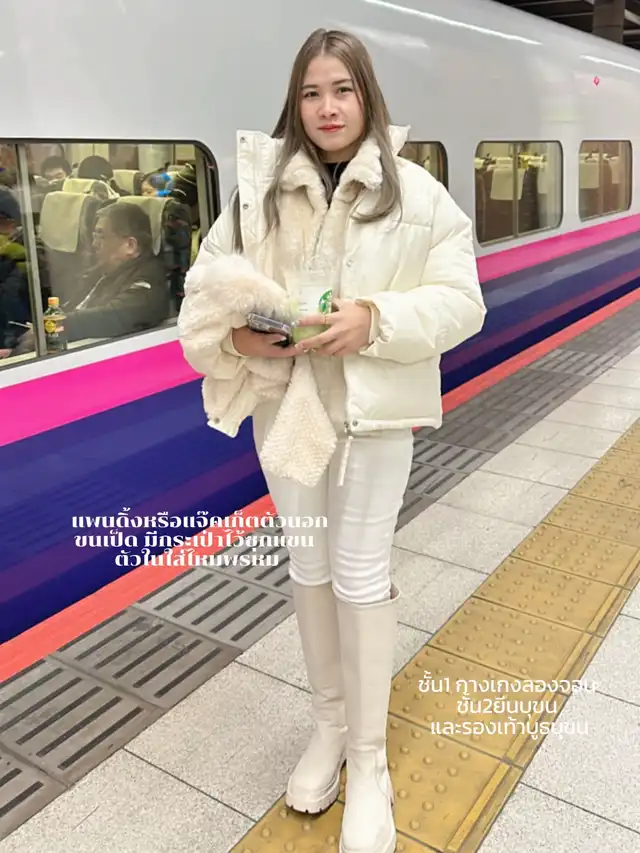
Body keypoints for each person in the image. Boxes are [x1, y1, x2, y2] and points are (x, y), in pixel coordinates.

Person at [178, 28, 486, 853]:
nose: (327, 107)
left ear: (367, 97)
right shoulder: (255, 197)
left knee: (359, 572)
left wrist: (375, 319)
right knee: (308, 566)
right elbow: (202, 292)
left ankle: (369, 759)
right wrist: (237, 339)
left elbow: (463, 302)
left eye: (342, 90)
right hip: (287, 410)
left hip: (374, 417)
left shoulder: (418, 195)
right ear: (296, 102)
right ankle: (327, 727)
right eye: (312, 92)